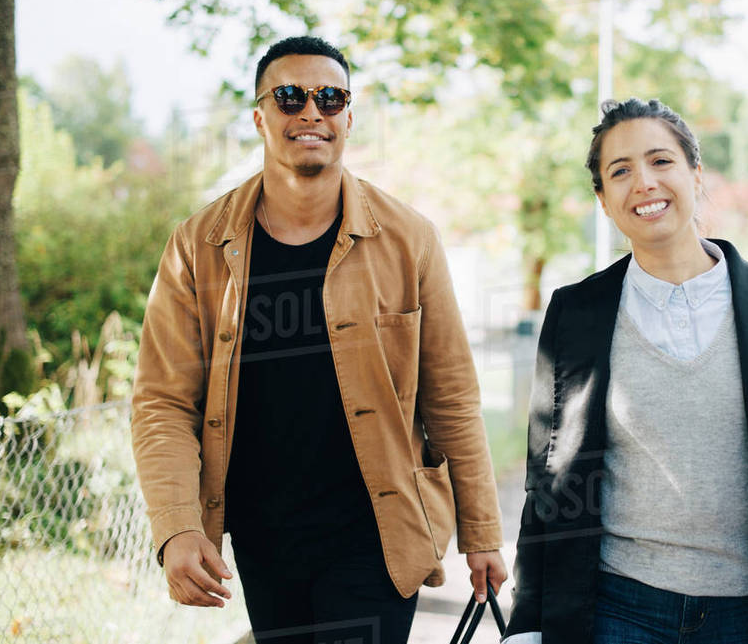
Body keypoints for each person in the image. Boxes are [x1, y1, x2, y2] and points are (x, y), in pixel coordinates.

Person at [131, 36, 507, 644]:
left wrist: (482, 533)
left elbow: (452, 395)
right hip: (262, 540)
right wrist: (176, 526)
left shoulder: (410, 239)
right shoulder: (197, 248)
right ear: (260, 117)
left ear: (349, 118)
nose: (311, 112)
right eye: (290, 97)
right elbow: (162, 402)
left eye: (330, 98)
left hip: (380, 537)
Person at [503, 99, 748, 644]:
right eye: (620, 171)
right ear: (603, 199)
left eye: (660, 161)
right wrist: (527, 624)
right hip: (619, 610)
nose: (643, 182)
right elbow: (549, 476)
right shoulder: (578, 311)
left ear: (695, 173)